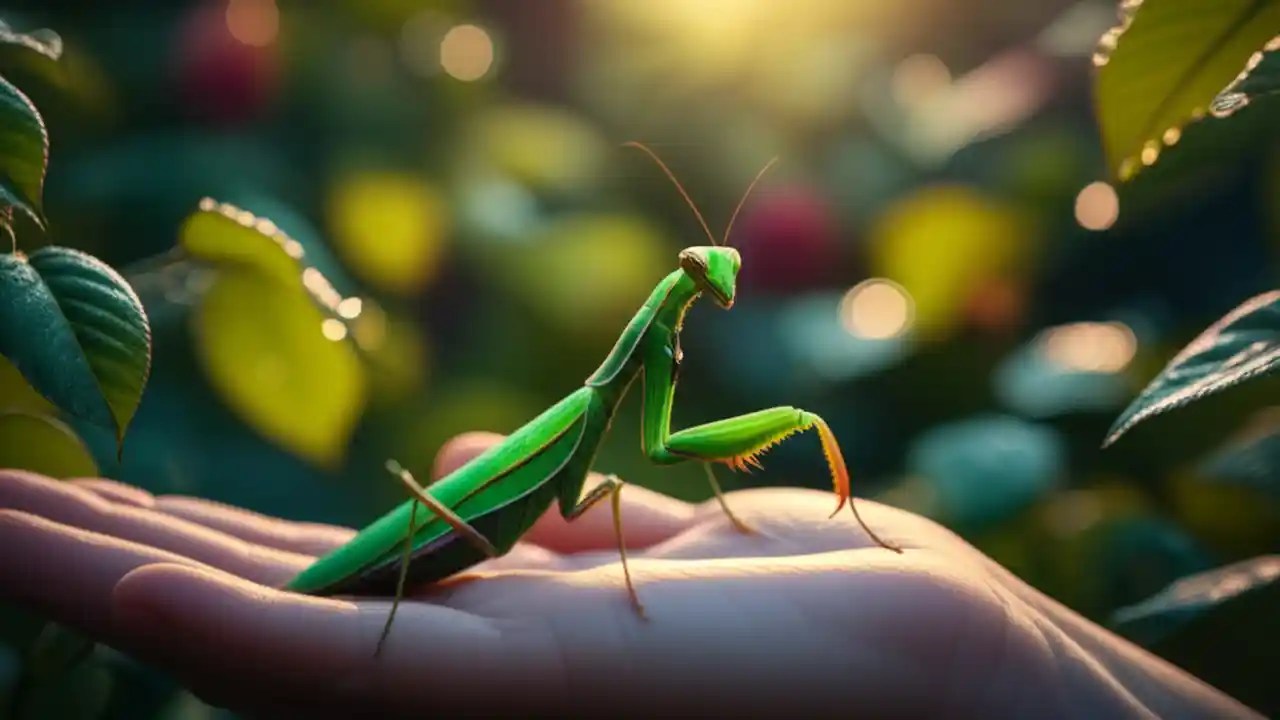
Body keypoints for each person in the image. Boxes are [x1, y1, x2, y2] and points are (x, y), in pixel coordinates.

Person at [0, 432, 1259, 719]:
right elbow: (611, 476)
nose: (718, 286)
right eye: (702, 279)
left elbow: (636, 463)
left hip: (475, 539)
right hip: (435, 539)